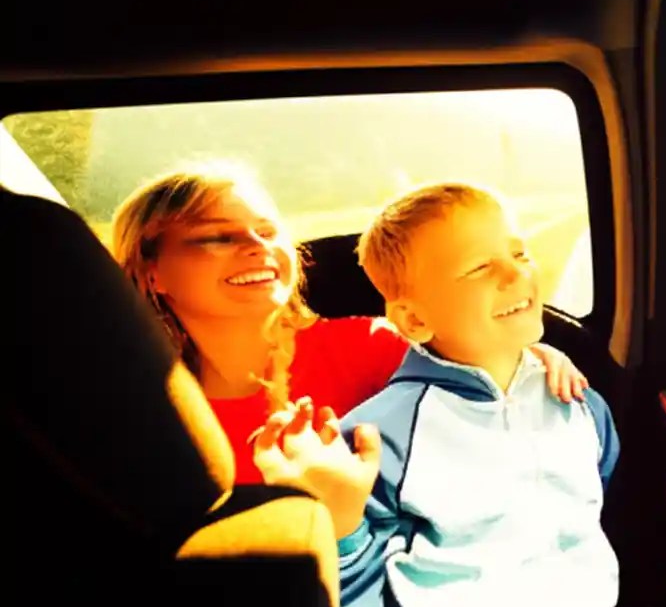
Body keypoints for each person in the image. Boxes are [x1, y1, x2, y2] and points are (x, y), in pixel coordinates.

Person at [254, 183, 620, 607]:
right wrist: (341, 526)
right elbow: (349, 590)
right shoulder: (380, 437)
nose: (515, 274)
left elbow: (599, 501)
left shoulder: (579, 403)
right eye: (480, 267)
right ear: (414, 318)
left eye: (520, 254)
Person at [110, 162, 590, 484]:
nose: (256, 245)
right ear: (152, 272)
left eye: (268, 230)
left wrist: (534, 355)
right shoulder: (146, 409)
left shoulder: (371, 347)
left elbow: (482, 375)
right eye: (215, 237)